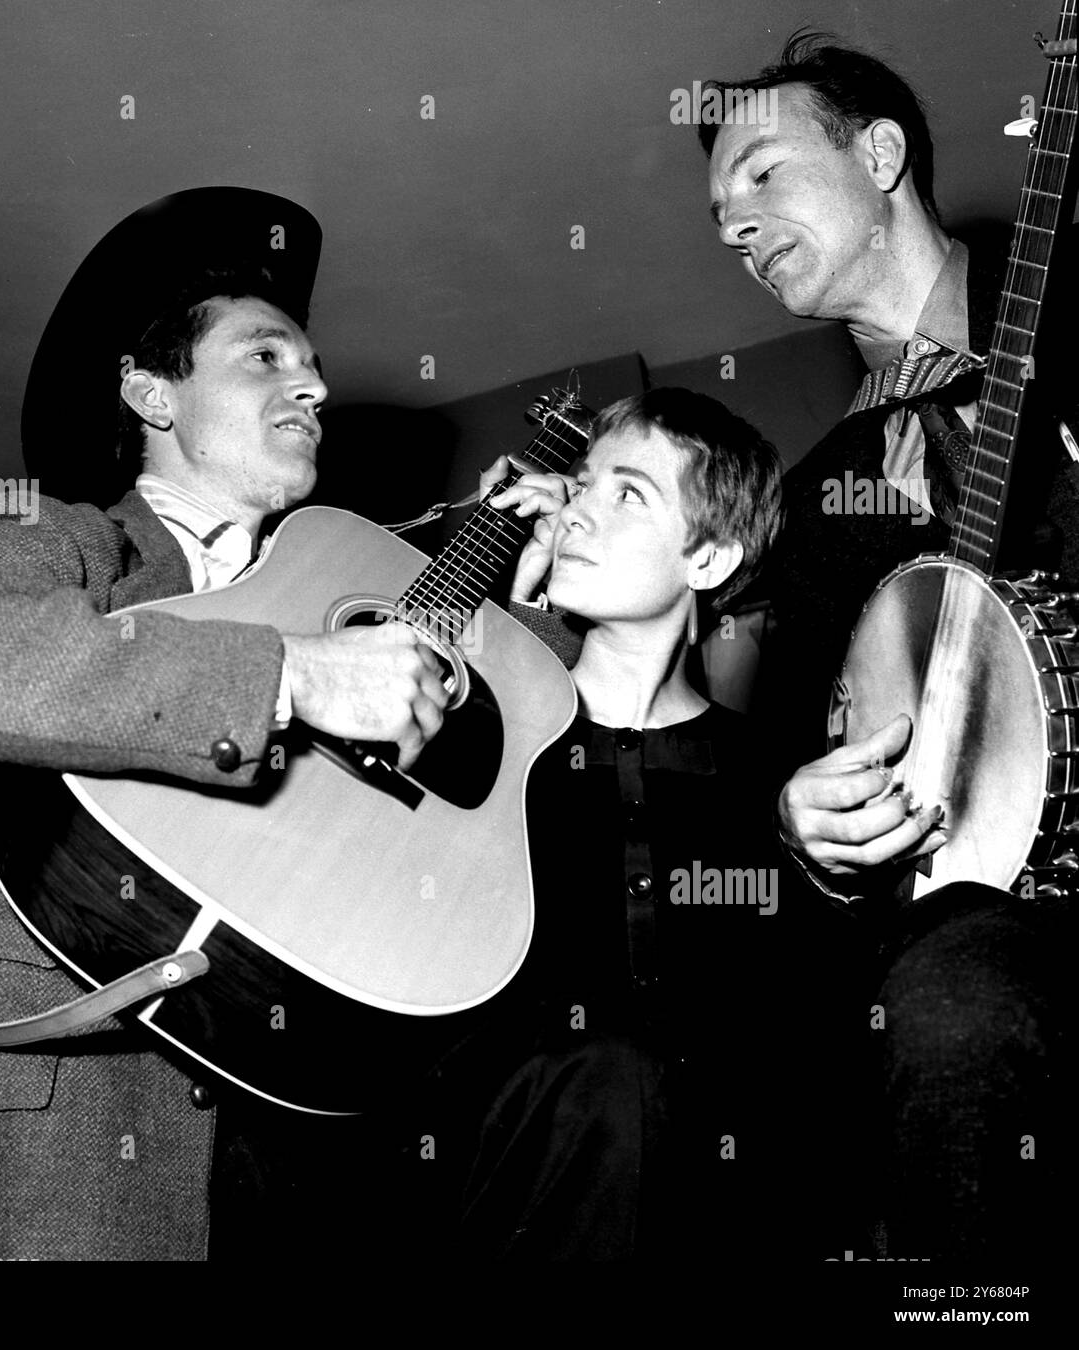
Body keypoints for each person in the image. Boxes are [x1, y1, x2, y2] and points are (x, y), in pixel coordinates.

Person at [0, 187, 450, 1260]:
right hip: (68, 1139)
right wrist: (290, 676)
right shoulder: (54, 531)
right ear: (150, 392)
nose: (315, 383)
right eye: (267, 356)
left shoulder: (356, 578)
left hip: (305, 1138)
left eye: (312, 365)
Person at [700, 33, 1076, 1258]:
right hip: (997, 917)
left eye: (759, 174)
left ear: (879, 154)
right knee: (944, 1005)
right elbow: (780, 748)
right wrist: (801, 827)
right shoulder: (811, 504)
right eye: (717, 213)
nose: (733, 226)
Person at [416, 387, 809, 1260]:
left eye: (628, 494)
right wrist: (510, 632)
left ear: (707, 561)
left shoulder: (775, 779)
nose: (578, 512)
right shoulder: (474, 734)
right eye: (583, 484)